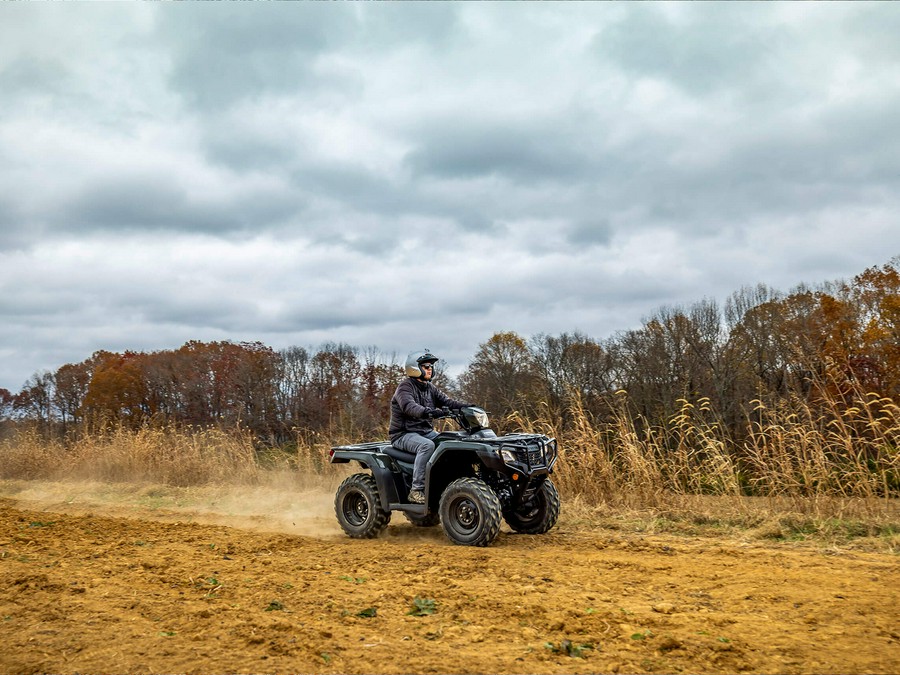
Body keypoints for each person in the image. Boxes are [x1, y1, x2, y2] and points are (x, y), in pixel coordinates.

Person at [389, 349, 470, 504]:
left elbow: (448, 402)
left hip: (425, 432)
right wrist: (430, 412)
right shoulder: (404, 388)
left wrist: (467, 407)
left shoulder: (430, 388)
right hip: (403, 434)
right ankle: (416, 490)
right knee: (426, 446)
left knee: (451, 441)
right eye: (426, 366)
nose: (430, 369)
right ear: (415, 368)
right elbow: (409, 407)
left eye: (431, 366)